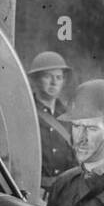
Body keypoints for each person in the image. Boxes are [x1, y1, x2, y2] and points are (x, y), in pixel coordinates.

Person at [26, 50, 76, 195]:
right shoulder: (28, 112)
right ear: (35, 80)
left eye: (59, 77)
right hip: (35, 191)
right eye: (48, 76)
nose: (54, 82)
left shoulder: (68, 115)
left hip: (65, 190)